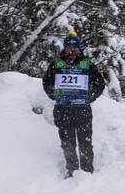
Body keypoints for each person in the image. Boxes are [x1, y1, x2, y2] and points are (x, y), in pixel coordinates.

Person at [41, 32, 105, 176]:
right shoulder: (56, 64)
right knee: (67, 143)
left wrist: (90, 97)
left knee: (85, 142)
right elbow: (47, 83)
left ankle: (87, 170)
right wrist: (54, 94)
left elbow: (100, 83)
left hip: (82, 109)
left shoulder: (87, 64)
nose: (71, 49)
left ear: (79, 48)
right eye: (68, 46)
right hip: (63, 109)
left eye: (74, 46)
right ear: (64, 48)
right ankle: (72, 170)